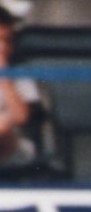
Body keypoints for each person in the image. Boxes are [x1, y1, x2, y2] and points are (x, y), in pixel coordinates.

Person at [0, 15, 47, 174]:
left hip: (15, 149)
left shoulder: (21, 75)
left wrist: (4, 77)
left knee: (4, 125)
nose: (2, 47)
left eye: (7, 40)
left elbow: (21, 117)